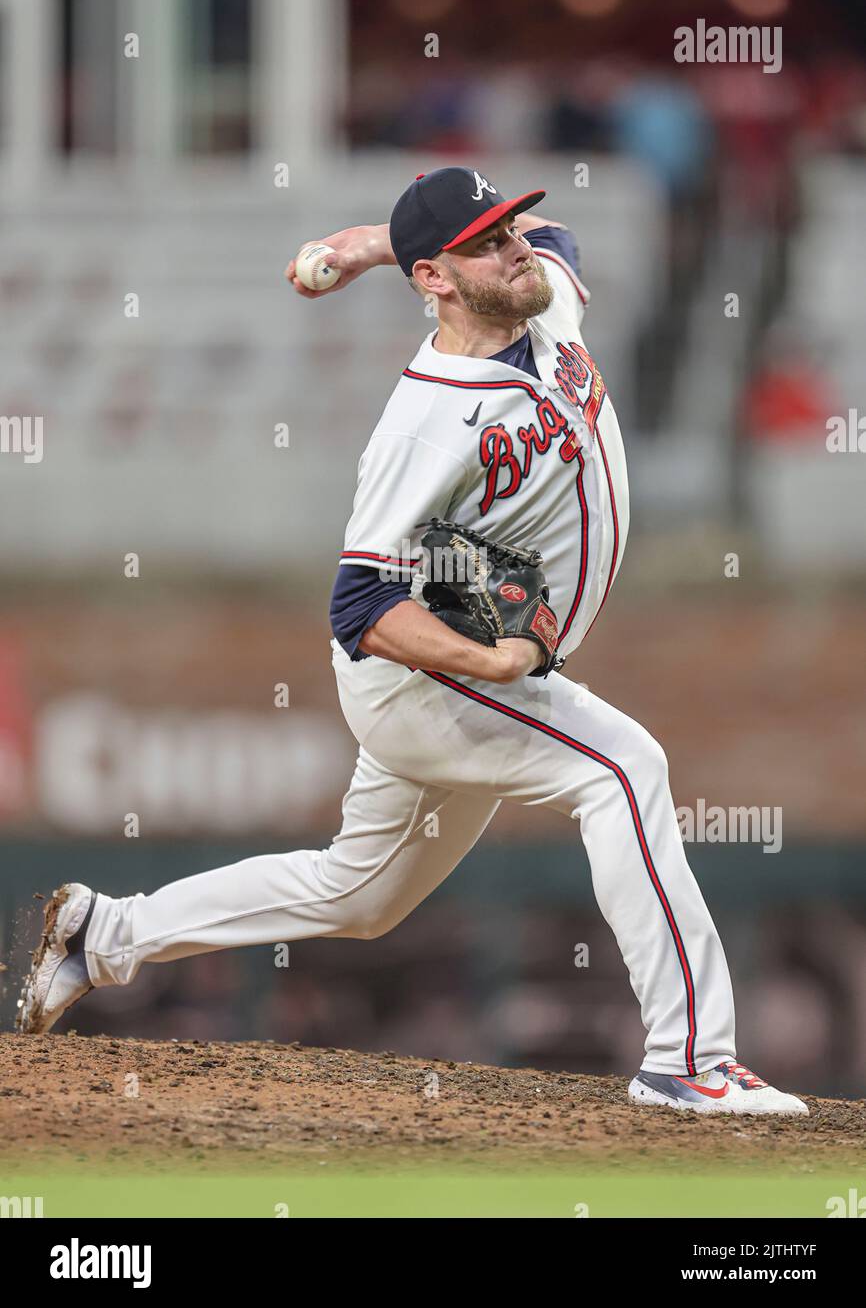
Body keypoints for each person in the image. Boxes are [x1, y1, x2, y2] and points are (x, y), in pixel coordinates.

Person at [17, 167, 806, 1116]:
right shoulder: (426, 423)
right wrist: (491, 662)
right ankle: (690, 1060)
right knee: (624, 770)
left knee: (361, 897)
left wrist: (366, 242)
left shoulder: (539, 306)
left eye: (510, 227)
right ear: (436, 279)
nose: (518, 248)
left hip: (461, 677)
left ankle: (104, 935)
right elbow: (359, 606)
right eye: (488, 242)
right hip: (424, 681)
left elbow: (563, 248)